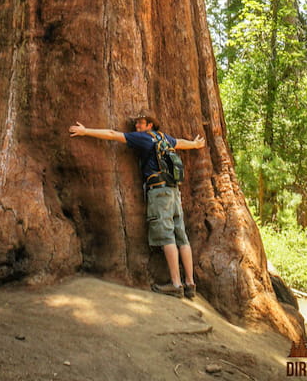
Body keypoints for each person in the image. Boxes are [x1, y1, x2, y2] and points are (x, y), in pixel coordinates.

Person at [69, 110, 205, 299]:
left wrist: (86, 131)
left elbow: (112, 134)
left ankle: (176, 284)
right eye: (137, 123)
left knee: (167, 236)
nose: (137, 126)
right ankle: (190, 284)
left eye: (141, 123)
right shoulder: (164, 138)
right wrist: (196, 145)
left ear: (150, 125)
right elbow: (181, 143)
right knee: (181, 235)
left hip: (159, 192)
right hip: (174, 192)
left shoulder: (143, 139)